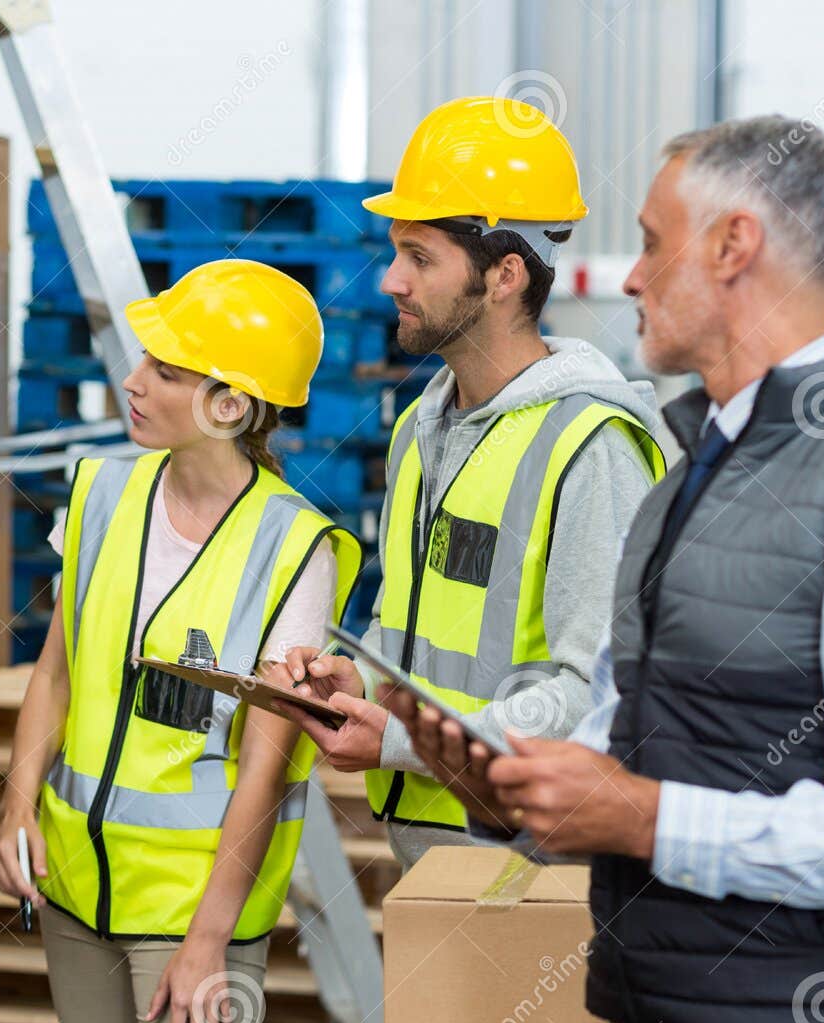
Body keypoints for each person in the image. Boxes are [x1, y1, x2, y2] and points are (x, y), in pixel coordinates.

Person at [385, 115, 824, 1023]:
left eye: (653, 243)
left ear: (735, 247)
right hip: (654, 1013)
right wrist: (473, 761)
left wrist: (645, 818)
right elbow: (617, 741)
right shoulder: (693, 478)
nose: (629, 277)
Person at [0, 260, 364, 1023]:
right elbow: (54, 673)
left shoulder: (295, 549)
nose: (132, 380)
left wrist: (210, 939)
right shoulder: (99, 494)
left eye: (163, 369)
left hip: (193, 916)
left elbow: (268, 764)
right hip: (74, 891)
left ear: (228, 404)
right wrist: (17, 806)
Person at [282, 96, 664, 871]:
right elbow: (413, 627)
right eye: (396, 252)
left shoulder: (591, 445)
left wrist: (398, 738)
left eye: (419, 257)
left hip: (527, 860)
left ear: (504, 275)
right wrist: (361, 673)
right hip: (428, 841)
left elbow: (596, 698)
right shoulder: (421, 433)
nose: (390, 279)